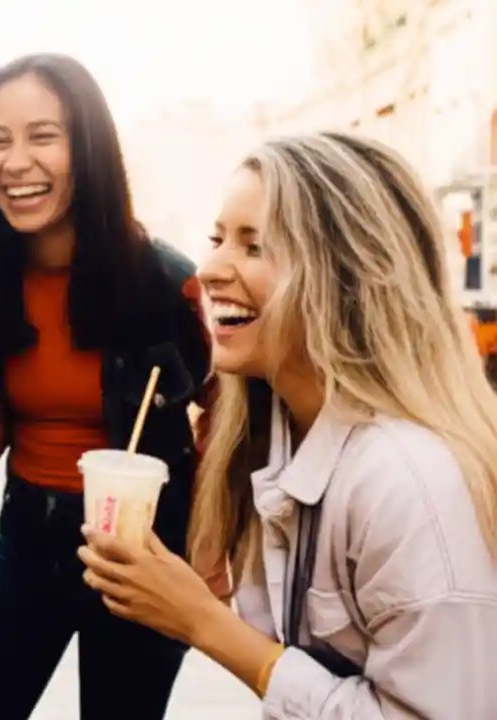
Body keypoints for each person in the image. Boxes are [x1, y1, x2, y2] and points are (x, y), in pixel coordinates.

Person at [80, 132, 497, 719]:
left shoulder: (409, 483)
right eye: (218, 238)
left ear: (346, 276)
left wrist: (204, 622)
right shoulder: (275, 436)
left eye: (255, 247)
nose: (210, 269)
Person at [0, 53, 211, 719]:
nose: (15, 162)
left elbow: (231, 422)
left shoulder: (166, 283)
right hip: (28, 538)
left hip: (140, 553)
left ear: (88, 149)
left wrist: (210, 555)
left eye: (43, 136)